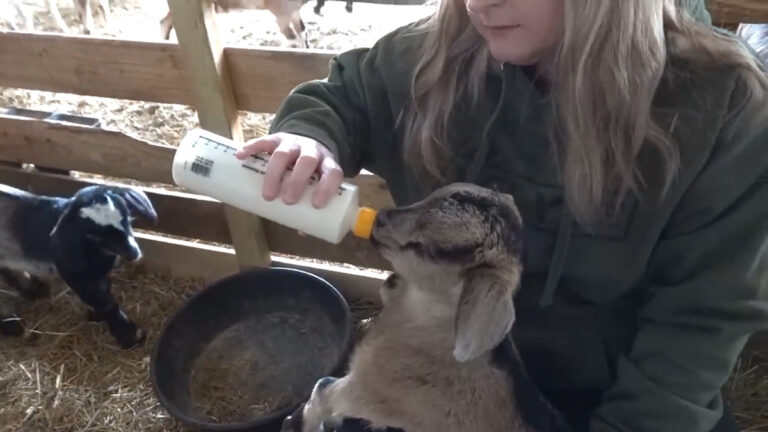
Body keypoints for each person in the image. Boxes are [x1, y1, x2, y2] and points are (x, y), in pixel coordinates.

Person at [236, 0, 768, 431]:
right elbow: (347, 94)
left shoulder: (721, 107)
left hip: (612, 398)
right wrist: (311, 137)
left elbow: (699, 325)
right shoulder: (434, 53)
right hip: (434, 376)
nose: (476, 4)